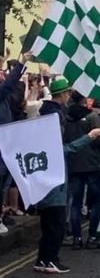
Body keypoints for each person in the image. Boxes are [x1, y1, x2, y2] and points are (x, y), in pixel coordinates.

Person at [35, 77, 100, 274]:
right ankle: (49, 259)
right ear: (64, 95)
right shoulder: (55, 117)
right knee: (55, 224)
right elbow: (59, 150)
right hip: (55, 177)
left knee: (50, 222)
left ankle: (43, 259)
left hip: (49, 174)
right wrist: (88, 138)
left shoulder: (48, 113)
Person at [63, 91, 100, 250]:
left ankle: (77, 238)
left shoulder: (66, 118)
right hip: (92, 163)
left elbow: (65, 140)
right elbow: (99, 139)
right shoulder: (93, 117)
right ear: (84, 99)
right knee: (96, 202)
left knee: (76, 202)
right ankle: (92, 237)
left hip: (74, 164)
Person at [0, 53, 28, 236]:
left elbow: (16, 94)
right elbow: (9, 84)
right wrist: (21, 64)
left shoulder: (5, 98)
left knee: (3, 183)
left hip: (5, 145)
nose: (2, 76)